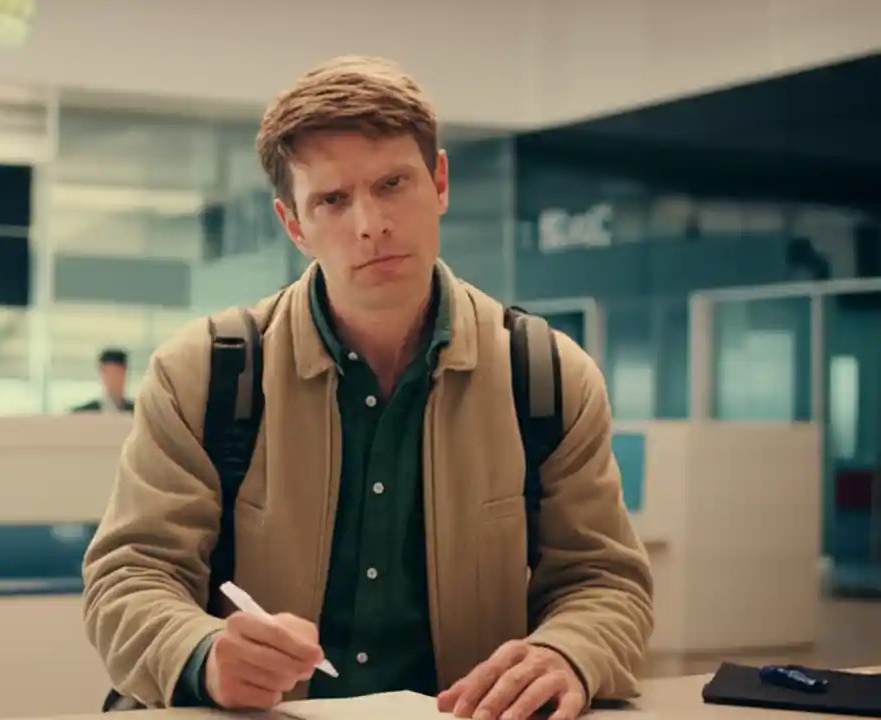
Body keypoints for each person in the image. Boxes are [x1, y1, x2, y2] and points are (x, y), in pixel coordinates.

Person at [82, 56, 652, 720]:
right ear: (294, 224)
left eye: (392, 184)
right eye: (332, 200)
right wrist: (204, 653)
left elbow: (604, 581)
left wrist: (568, 653)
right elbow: (129, 576)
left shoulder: (544, 375)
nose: (370, 224)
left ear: (439, 182)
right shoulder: (204, 373)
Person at [72, 348, 135, 414]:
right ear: (101, 374)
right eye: (108, 372)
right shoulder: (84, 413)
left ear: (124, 373)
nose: (112, 378)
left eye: (117, 372)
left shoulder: (139, 412)